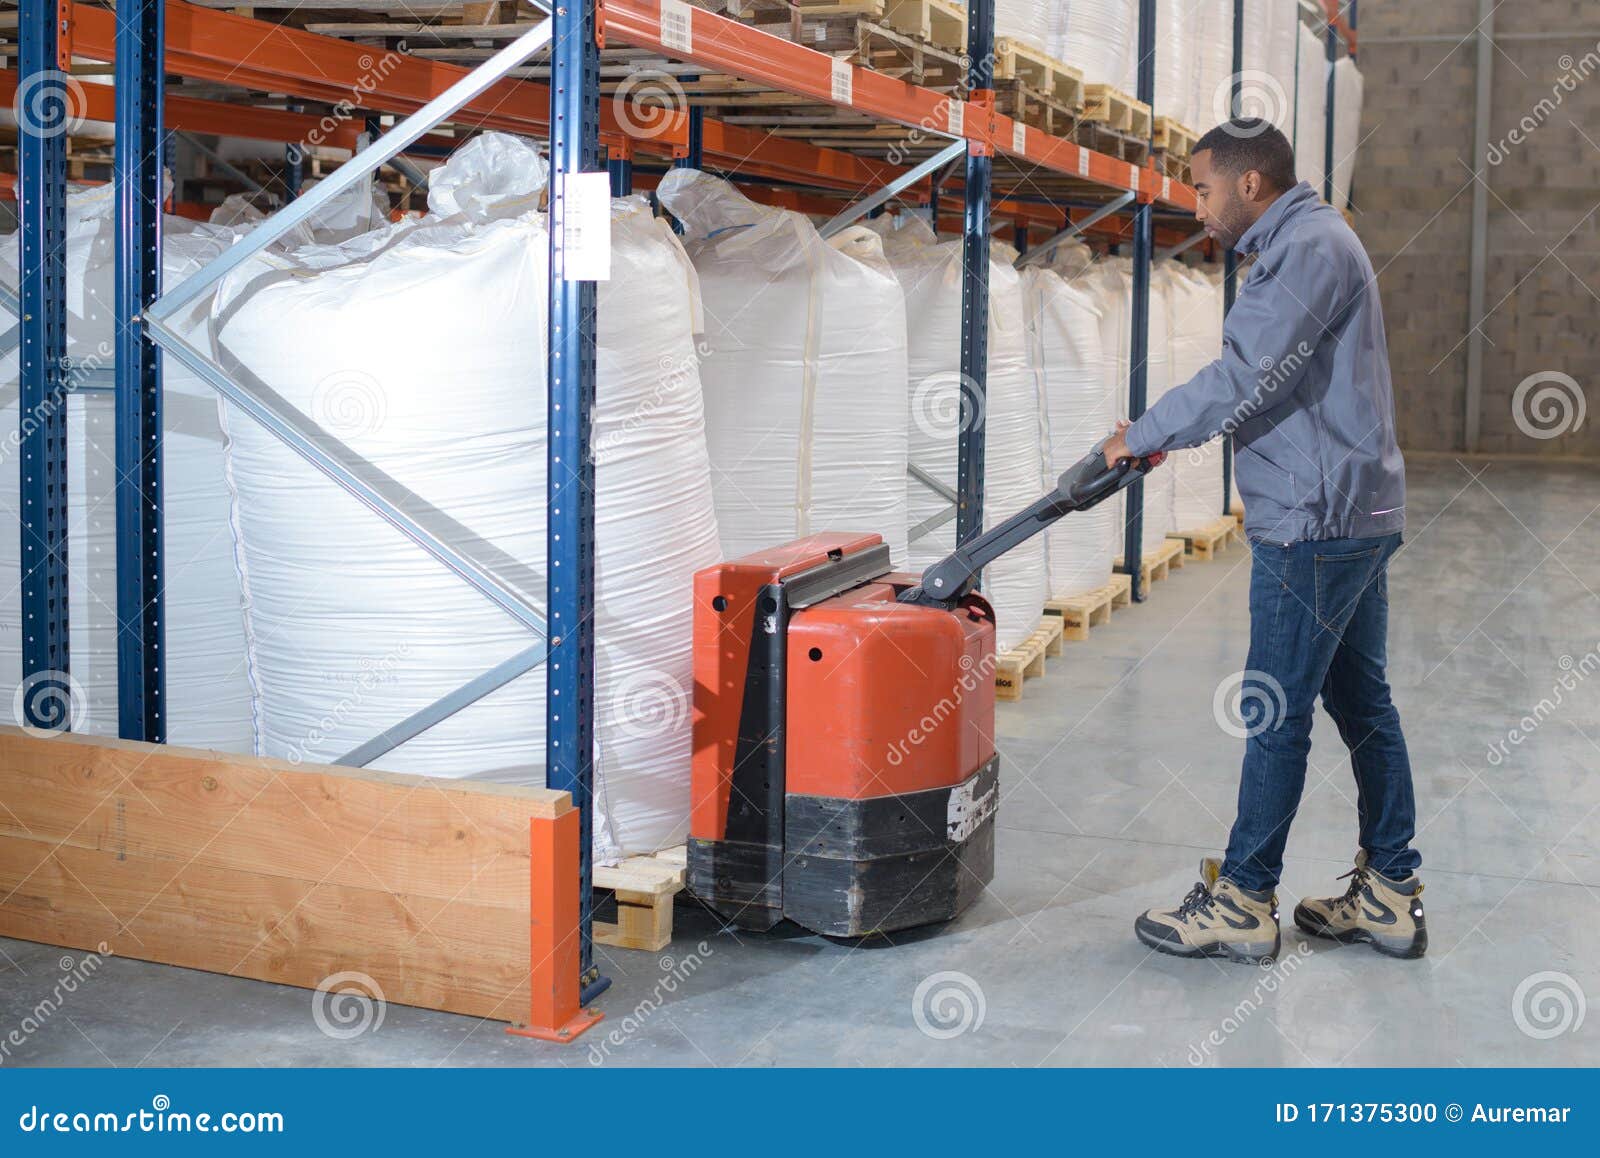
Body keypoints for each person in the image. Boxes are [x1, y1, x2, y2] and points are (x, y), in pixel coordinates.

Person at [1099, 119, 1426, 964]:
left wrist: (1143, 433)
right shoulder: (1310, 242)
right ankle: (1391, 889)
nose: (1197, 207)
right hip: (1348, 513)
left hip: (1316, 523)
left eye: (1203, 190)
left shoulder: (1308, 250)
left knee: (1275, 713)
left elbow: (1244, 377)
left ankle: (1244, 899)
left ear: (1250, 186)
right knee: (1361, 705)